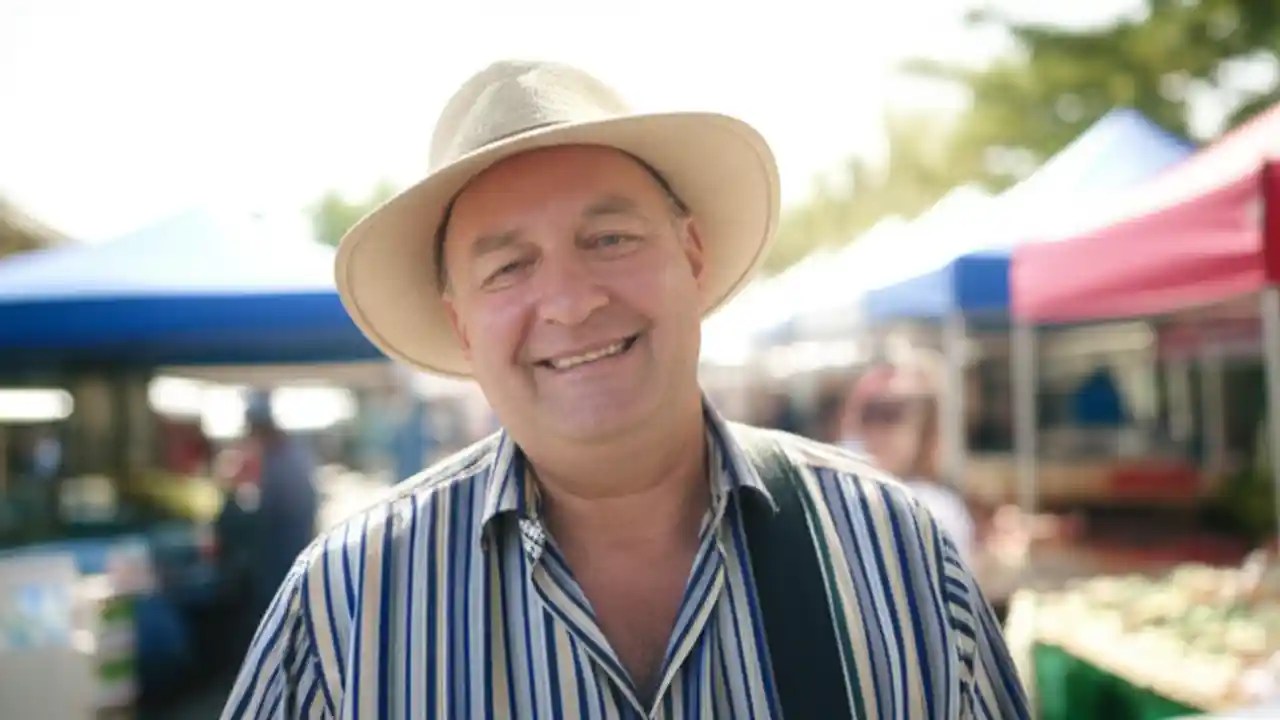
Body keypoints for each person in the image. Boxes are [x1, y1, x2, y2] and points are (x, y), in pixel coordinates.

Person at [222, 60, 1028, 719]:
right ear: (462, 325)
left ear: (693, 254)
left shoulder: (891, 549)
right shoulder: (343, 610)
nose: (571, 302)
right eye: (509, 268)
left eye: (610, 238)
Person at [841, 356, 978, 565]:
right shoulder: (839, 492)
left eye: (892, 414)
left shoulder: (936, 509)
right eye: (869, 413)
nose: (877, 429)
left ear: (924, 428)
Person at [241, 392, 320, 619]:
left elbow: (273, 511)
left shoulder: (285, 461)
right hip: (287, 552)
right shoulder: (284, 456)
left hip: (285, 553)